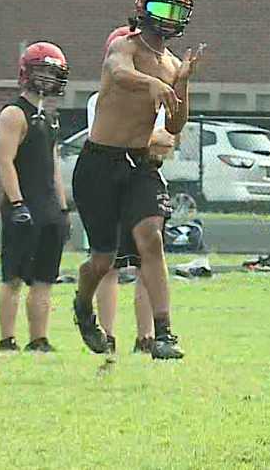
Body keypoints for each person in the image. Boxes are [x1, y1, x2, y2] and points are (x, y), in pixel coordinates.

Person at [71, 0, 204, 360]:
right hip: (99, 163)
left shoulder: (173, 65)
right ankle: (83, 306)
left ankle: (163, 333)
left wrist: (180, 84)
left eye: (176, 9)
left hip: (139, 165)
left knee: (151, 238)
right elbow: (118, 72)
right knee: (102, 259)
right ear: (142, 7)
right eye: (162, 6)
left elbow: (177, 124)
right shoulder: (124, 46)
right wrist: (152, 84)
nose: (168, 17)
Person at [86, 26, 168, 355]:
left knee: (150, 253)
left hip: (142, 177)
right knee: (108, 262)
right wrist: (147, 141)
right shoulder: (104, 96)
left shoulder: (160, 86)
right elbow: (136, 138)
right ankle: (106, 333)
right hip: (109, 176)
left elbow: (170, 137)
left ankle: (149, 335)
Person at [0, 42, 72, 353]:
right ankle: (6, 339)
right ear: (27, 73)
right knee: (13, 277)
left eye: (53, 73)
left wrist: (63, 209)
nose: (47, 79)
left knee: (44, 280)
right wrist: (16, 203)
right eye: (41, 72)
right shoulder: (14, 113)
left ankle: (39, 339)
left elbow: (53, 165)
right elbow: (5, 161)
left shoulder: (51, 118)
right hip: (23, 207)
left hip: (48, 208)